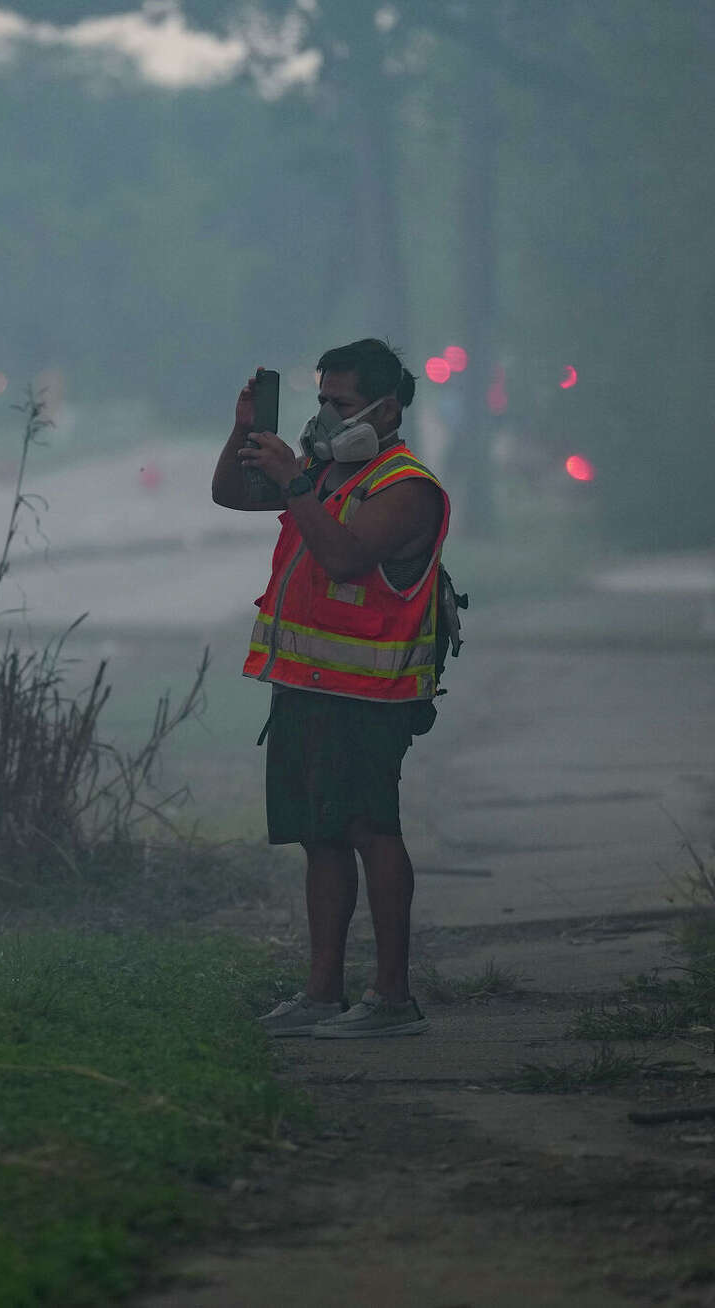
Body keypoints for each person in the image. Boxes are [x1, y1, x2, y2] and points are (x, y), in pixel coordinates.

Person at [212, 338, 450, 1038]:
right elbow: (230, 493)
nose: (324, 417)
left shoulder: (405, 487)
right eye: (320, 400)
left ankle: (393, 999)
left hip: (370, 697)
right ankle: (321, 994)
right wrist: (244, 431)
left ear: (387, 407)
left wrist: (294, 483)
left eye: (339, 404)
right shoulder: (323, 473)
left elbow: (344, 558)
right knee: (321, 837)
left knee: (371, 829)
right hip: (306, 685)